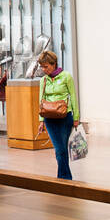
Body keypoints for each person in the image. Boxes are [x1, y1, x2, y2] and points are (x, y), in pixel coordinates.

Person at [35, 50, 79, 179]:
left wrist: (76, 117)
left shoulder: (66, 77)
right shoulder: (43, 80)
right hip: (49, 119)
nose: (44, 69)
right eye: (42, 66)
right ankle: (65, 179)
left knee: (63, 150)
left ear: (54, 64)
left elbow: (73, 97)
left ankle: (62, 178)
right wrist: (41, 120)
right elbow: (40, 100)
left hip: (65, 117)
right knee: (59, 149)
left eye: (46, 66)